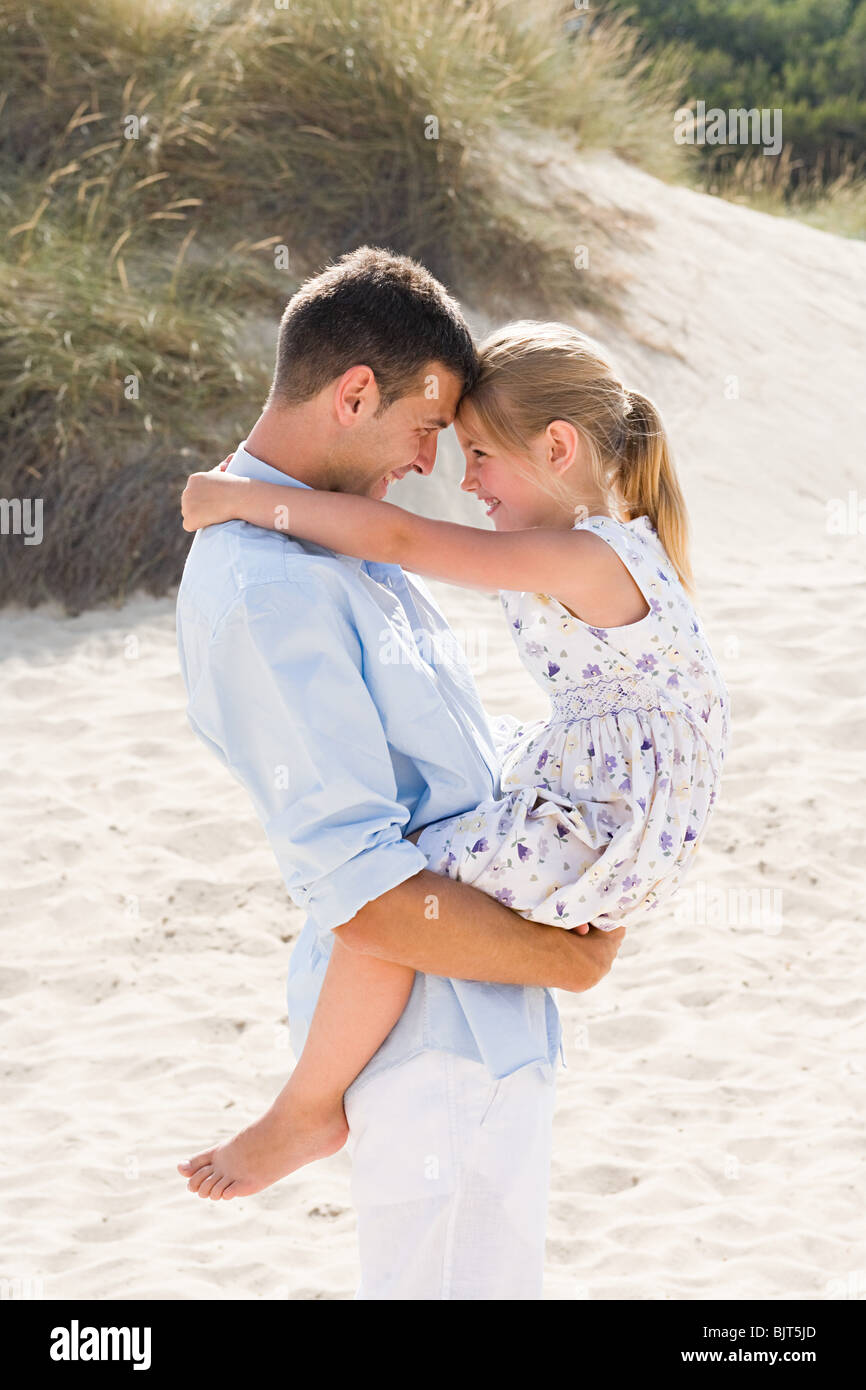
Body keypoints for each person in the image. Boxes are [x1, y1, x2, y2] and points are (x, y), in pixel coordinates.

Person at [180, 316, 730, 1224]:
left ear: (558, 447)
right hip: (612, 793)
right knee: (420, 854)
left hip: (607, 808)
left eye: (477, 453)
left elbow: (398, 541)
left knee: (392, 890)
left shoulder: (581, 553)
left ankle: (307, 1109)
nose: (461, 477)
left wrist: (248, 503)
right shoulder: (612, 543)